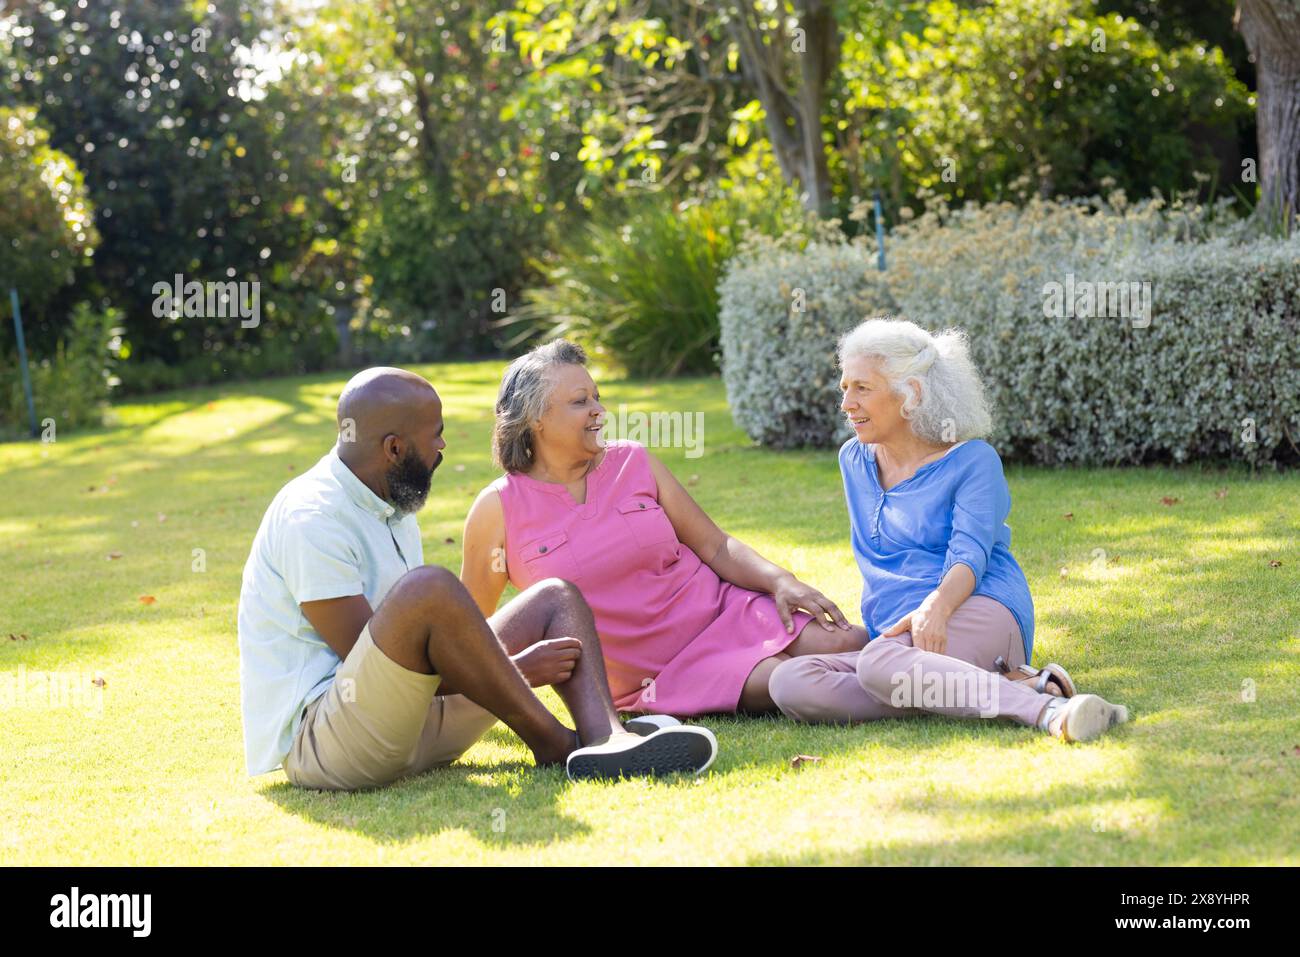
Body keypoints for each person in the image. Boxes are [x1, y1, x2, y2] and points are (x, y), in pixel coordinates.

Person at [237, 367, 718, 791]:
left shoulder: (390, 498)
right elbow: (364, 671)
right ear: (394, 448)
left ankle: (605, 739)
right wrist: (516, 671)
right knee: (429, 589)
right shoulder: (312, 518)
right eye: (436, 436)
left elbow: (416, 656)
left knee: (553, 598)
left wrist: (497, 664)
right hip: (332, 742)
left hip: (413, 727)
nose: (443, 446)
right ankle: (558, 745)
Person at [768, 318, 1131, 742]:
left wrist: (936, 607)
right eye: (844, 387)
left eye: (862, 388)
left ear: (911, 394)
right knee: (790, 682)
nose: (846, 403)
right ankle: (1009, 684)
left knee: (876, 667)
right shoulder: (853, 459)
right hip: (896, 639)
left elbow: (970, 553)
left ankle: (1048, 710)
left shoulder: (974, 461)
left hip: (975, 607)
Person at [460, 340, 865, 719]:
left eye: (597, 396)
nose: (598, 410)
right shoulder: (499, 508)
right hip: (656, 675)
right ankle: (916, 692)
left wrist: (781, 582)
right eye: (580, 402)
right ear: (535, 419)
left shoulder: (632, 461)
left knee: (846, 643)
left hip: (722, 612)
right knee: (791, 678)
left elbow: (715, 546)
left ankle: (920, 670)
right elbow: (472, 631)